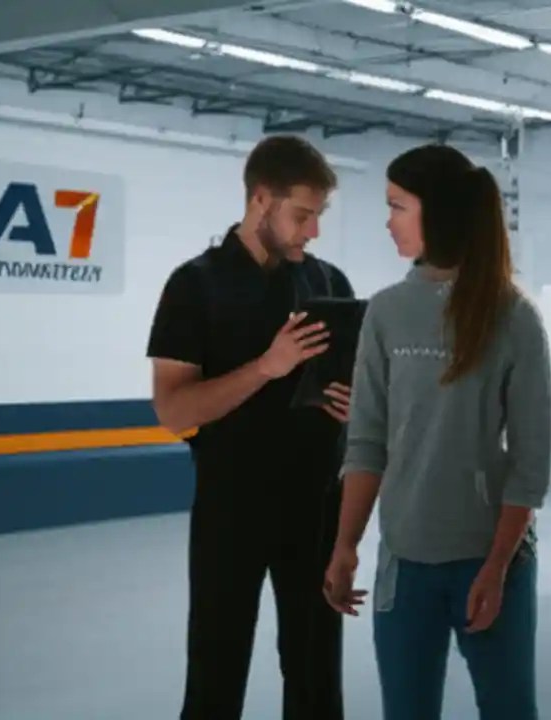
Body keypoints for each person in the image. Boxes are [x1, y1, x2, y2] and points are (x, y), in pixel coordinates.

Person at [322, 143, 551, 720]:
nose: (388, 222)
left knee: (509, 711)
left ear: (440, 212)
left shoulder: (514, 317)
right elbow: (367, 440)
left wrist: (496, 567)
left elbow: (531, 465)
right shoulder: (386, 312)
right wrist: (346, 544)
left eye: (398, 206)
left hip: (491, 558)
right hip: (405, 563)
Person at [146, 135, 354, 720]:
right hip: (231, 509)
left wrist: (356, 406)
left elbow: (360, 391)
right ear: (260, 200)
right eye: (302, 215)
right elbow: (173, 412)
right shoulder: (195, 286)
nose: (314, 231)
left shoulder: (329, 284)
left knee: (317, 685)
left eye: (319, 215)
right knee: (215, 676)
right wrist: (266, 367)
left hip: (317, 509)